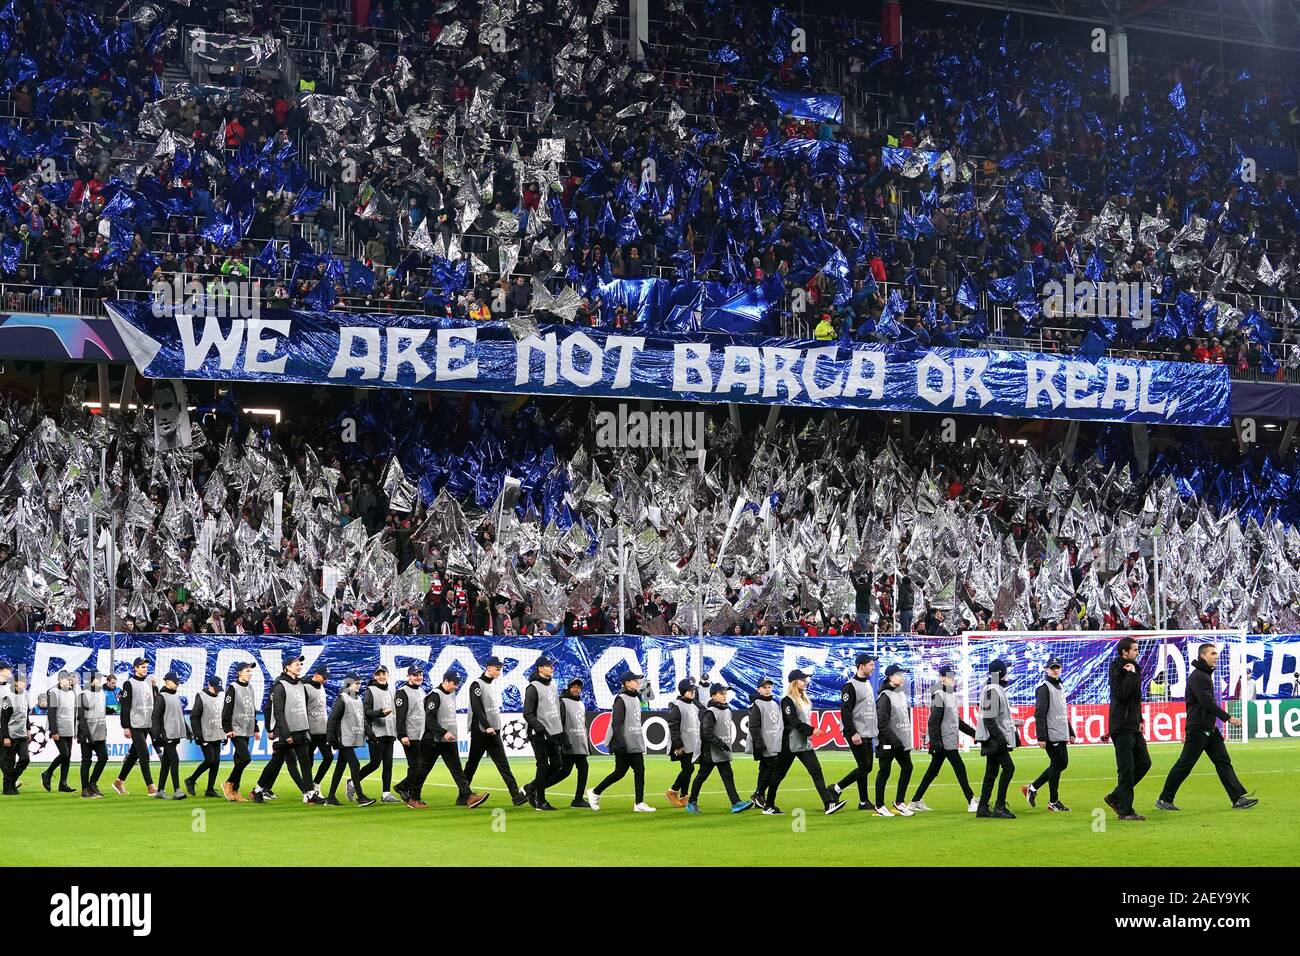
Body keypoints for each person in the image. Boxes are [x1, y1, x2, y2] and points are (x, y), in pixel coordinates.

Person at [1155, 643, 1258, 812]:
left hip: (1208, 728)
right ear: (1203, 655)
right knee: (1185, 764)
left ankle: (1237, 798)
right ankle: (1164, 798)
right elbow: (1206, 702)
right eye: (1212, 653)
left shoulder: (1204, 675)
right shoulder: (1199, 676)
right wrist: (1228, 717)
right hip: (1198, 729)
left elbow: (1207, 703)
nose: (1216, 656)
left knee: (1223, 761)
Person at [405, 670, 488, 809]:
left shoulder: (451, 694)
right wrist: (443, 732)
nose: (456, 686)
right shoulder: (434, 696)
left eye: (457, 684)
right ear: (445, 681)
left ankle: (468, 796)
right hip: (432, 740)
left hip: (447, 740)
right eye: (453, 683)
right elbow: (429, 719)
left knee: (457, 770)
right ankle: (413, 798)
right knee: (423, 770)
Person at [767, 670, 846, 815]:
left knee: (816, 770)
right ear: (794, 682)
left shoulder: (803, 699)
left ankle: (828, 803)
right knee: (778, 775)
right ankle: (768, 805)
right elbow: (793, 722)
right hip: (789, 743)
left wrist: (809, 732)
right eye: (802, 680)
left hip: (803, 743)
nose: (805, 682)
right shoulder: (787, 700)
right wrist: (811, 730)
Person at [253, 655, 321, 804]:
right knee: (275, 763)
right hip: (287, 733)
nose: (299, 666)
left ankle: (310, 793)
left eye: (300, 664)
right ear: (287, 667)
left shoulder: (300, 685)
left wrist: (306, 728)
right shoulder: (279, 686)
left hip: (301, 730)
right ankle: (258, 789)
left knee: (305, 762)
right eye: (296, 664)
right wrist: (285, 733)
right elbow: (277, 712)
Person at [910, 664, 977, 812]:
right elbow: (933, 720)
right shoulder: (939, 695)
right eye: (949, 676)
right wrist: (936, 742)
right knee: (959, 768)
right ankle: (971, 800)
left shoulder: (950, 695)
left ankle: (915, 800)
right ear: (942, 678)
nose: (952, 679)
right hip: (944, 741)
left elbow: (956, 721)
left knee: (932, 771)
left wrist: (974, 733)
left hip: (947, 740)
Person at [463, 657, 528, 806]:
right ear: (488, 668)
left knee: (503, 764)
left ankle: (515, 795)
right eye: (497, 669)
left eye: (500, 669)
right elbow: (477, 707)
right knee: (472, 764)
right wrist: (487, 726)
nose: (499, 672)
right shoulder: (477, 684)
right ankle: (463, 794)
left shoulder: (490, 685)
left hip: (493, 731)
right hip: (481, 731)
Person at [588, 671, 655, 812]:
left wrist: (647, 685)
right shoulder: (621, 699)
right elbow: (616, 724)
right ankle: (595, 792)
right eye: (634, 680)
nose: (638, 682)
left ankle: (639, 803)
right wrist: (620, 742)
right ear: (627, 683)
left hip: (634, 742)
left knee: (637, 771)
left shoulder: (636, 697)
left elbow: (650, 697)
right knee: (620, 772)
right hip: (624, 743)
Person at [686, 683, 753, 814]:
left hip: (721, 751)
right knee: (702, 776)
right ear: (713, 696)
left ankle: (736, 802)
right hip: (710, 751)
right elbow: (707, 733)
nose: (724, 696)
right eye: (721, 694)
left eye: (725, 694)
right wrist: (720, 744)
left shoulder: (727, 710)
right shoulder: (710, 713)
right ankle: (691, 801)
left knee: (728, 775)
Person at [1104, 637, 1150, 821]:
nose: (1137, 653)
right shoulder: (1116, 668)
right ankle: (1125, 810)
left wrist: (1141, 718)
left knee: (1144, 763)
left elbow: (1136, 697)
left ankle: (1116, 797)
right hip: (1121, 726)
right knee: (1126, 768)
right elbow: (1121, 693)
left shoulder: (1135, 668)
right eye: (1135, 650)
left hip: (1133, 724)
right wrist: (1130, 675)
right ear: (1124, 652)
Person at [1022, 659, 1076, 812]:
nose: (1055, 670)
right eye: (1052, 668)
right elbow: (1040, 713)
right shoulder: (1044, 688)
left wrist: (1070, 731)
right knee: (1058, 763)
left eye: (1057, 667)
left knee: (1061, 764)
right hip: (1051, 733)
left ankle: (1033, 788)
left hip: (1060, 732)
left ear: (1061, 669)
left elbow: (1062, 711)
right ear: (1046, 669)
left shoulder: (1060, 686)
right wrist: (1042, 737)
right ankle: (1052, 800)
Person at [829, 653, 878, 810]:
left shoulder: (867, 683)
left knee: (867, 767)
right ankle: (859, 799)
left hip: (867, 731)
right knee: (864, 766)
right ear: (861, 666)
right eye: (870, 664)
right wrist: (853, 733)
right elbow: (845, 711)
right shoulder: (850, 686)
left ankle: (837, 789)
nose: (873, 667)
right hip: (857, 732)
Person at [323, 672, 376, 807]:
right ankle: (361, 796)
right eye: (356, 683)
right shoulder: (342, 699)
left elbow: (361, 719)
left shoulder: (357, 699)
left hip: (349, 737)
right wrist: (331, 738)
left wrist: (369, 733)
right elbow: (332, 719)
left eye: (359, 682)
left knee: (340, 768)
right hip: (343, 738)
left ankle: (331, 797)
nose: (359, 685)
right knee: (355, 765)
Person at [974, 659, 1017, 818]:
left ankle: (983, 807)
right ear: (1000, 673)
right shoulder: (993, 690)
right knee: (1009, 768)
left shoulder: (993, 689)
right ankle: (999, 806)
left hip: (991, 737)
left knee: (991, 772)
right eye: (1006, 671)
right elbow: (989, 719)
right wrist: (1001, 740)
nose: (1008, 673)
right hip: (994, 738)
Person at [352, 665, 399, 803]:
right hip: (376, 733)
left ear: (387, 675)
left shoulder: (391, 691)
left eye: (383, 673)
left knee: (388, 765)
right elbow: (366, 711)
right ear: (375, 677)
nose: (381, 676)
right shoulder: (370, 691)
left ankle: (386, 794)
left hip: (389, 732)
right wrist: (380, 713)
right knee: (375, 763)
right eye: (379, 674)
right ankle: (353, 781)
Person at [521, 656, 563, 810]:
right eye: (548, 666)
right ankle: (541, 800)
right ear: (540, 669)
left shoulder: (552, 685)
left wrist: (559, 730)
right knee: (543, 765)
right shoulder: (533, 688)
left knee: (557, 764)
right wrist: (540, 729)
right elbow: (527, 713)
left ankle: (531, 788)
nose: (552, 668)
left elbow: (556, 710)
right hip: (539, 733)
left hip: (553, 731)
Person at [874, 663, 915, 817]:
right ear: (890, 677)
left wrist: (904, 740)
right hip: (887, 742)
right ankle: (879, 805)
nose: (902, 677)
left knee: (908, 767)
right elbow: (881, 723)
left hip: (901, 742)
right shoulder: (884, 697)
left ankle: (899, 802)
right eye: (899, 675)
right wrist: (894, 740)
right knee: (884, 771)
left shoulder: (901, 694)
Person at [112, 657, 157, 797]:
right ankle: (150, 786)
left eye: (146, 667)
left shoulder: (149, 683)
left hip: (147, 724)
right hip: (135, 724)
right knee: (144, 754)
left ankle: (118, 781)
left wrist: (155, 687)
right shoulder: (129, 684)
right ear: (135, 668)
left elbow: (155, 700)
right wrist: (125, 726)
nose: (145, 669)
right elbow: (125, 706)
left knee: (133, 755)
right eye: (142, 667)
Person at [550, 676, 591, 808]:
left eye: (578, 687)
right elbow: (559, 723)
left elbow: (583, 726)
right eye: (573, 687)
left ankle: (578, 799)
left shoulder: (580, 703)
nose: (576, 689)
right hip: (568, 744)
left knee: (580, 768)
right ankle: (534, 788)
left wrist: (586, 744)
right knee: (565, 771)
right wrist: (564, 741)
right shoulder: (562, 702)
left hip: (579, 744)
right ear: (568, 688)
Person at [221, 661, 259, 801]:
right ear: (239, 673)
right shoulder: (232, 688)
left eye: (250, 671)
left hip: (247, 728)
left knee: (239, 759)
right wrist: (228, 728)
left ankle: (235, 790)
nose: (250, 673)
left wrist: (255, 728)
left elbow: (252, 710)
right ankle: (229, 783)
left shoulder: (251, 688)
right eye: (247, 671)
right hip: (236, 729)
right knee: (245, 758)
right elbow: (227, 710)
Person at [746, 677, 784, 813]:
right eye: (764, 687)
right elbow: (754, 726)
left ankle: (759, 796)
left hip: (773, 742)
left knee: (764, 769)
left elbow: (777, 724)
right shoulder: (757, 705)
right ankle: (759, 793)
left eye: (769, 687)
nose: (767, 689)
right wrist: (759, 743)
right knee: (773, 768)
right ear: (758, 689)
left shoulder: (774, 703)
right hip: (763, 743)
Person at [392, 665, 427, 805]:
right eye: (415, 675)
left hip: (421, 734)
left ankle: (406, 790)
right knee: (416, 766)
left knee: (417, 766)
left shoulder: (422, 691)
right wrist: (402, 735)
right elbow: (399, 716)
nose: (418, 677)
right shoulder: (402, 692)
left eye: (420, 674)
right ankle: (406, 790)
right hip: (410, 735)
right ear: (408, 677)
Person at [185, 676, 225, 797]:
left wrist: (224, 733)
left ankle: (210, 789)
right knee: (210, 760)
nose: (217, 690)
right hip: (205, 734)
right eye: (215, 688)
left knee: (216, 762)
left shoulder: (220, 697)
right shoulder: (201, 696)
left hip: (217, 733)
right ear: (209, 685)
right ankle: (191, 780)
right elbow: (194, 717)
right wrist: (198, 736)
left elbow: (222, 716)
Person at [151, 671, 188, 800]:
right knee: (174, 760)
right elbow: (155, 717)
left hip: (174, 734)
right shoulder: (161, 697)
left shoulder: (175, 696)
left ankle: (160, 790)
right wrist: (156, 736)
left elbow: (179, 716)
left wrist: (187, 731)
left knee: (166, 762)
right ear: (167, 682)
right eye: (175, 681)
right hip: (167, 735)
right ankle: (177, 790)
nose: (177, 684)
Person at [665, 678, 701, 808]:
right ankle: (673, 791)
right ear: (683, 691)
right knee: (689, 768)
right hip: (683, 745)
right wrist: (678, 745)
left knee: (688, 769)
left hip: (692, 743)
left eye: (693, 690)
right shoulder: (677, 706)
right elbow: (673, 726)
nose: (693, 692)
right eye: (690, 690)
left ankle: (684, 796)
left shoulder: (693, 705)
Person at [41, 670, 78, 793]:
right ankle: (48, 773)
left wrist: (75, 730)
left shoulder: (72, 693)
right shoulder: (54, 693)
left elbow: (73, 713)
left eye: (70, 679)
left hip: (69, 728)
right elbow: (51, 714)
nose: (69, 681)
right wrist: (54, 731)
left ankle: (63, 783)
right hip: (59, 728)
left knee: (67, 757)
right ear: (60, 680)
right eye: (67, 679)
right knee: (65, 754)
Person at [77, 671, 109, 798]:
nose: (101, 681)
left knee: (103, 758)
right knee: (86, 760)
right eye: (98, 679)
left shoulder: (102, 693)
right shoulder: (83, 695)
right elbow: (81, 717)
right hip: (87, 733)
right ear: (91, 680)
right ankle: (85, 789)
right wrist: (86, 734)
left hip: (100, 733)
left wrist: (104, 730)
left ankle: (93, 783)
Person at [303, 665, 333, 791]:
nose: (326, 680)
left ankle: (316, 783)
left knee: (329, 757)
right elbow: (302, 709)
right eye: (324, 677)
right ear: (317, 674)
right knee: (308, 761)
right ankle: (309, 789)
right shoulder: (305, 687)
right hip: (310, 731)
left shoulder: (322, 687)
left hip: (322, 730)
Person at [1, 670, 30, 795]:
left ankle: (12, 781)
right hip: (11, 735)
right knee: (9, 763)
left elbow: (26, 714)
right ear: (16, 683)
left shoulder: (26, 695)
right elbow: (3, 720)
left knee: (25, 759)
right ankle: (8, 788)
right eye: (23, 681)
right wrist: (6, 737)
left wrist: (28, 729)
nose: (25, 683)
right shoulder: (8, 698)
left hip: (22, 734)